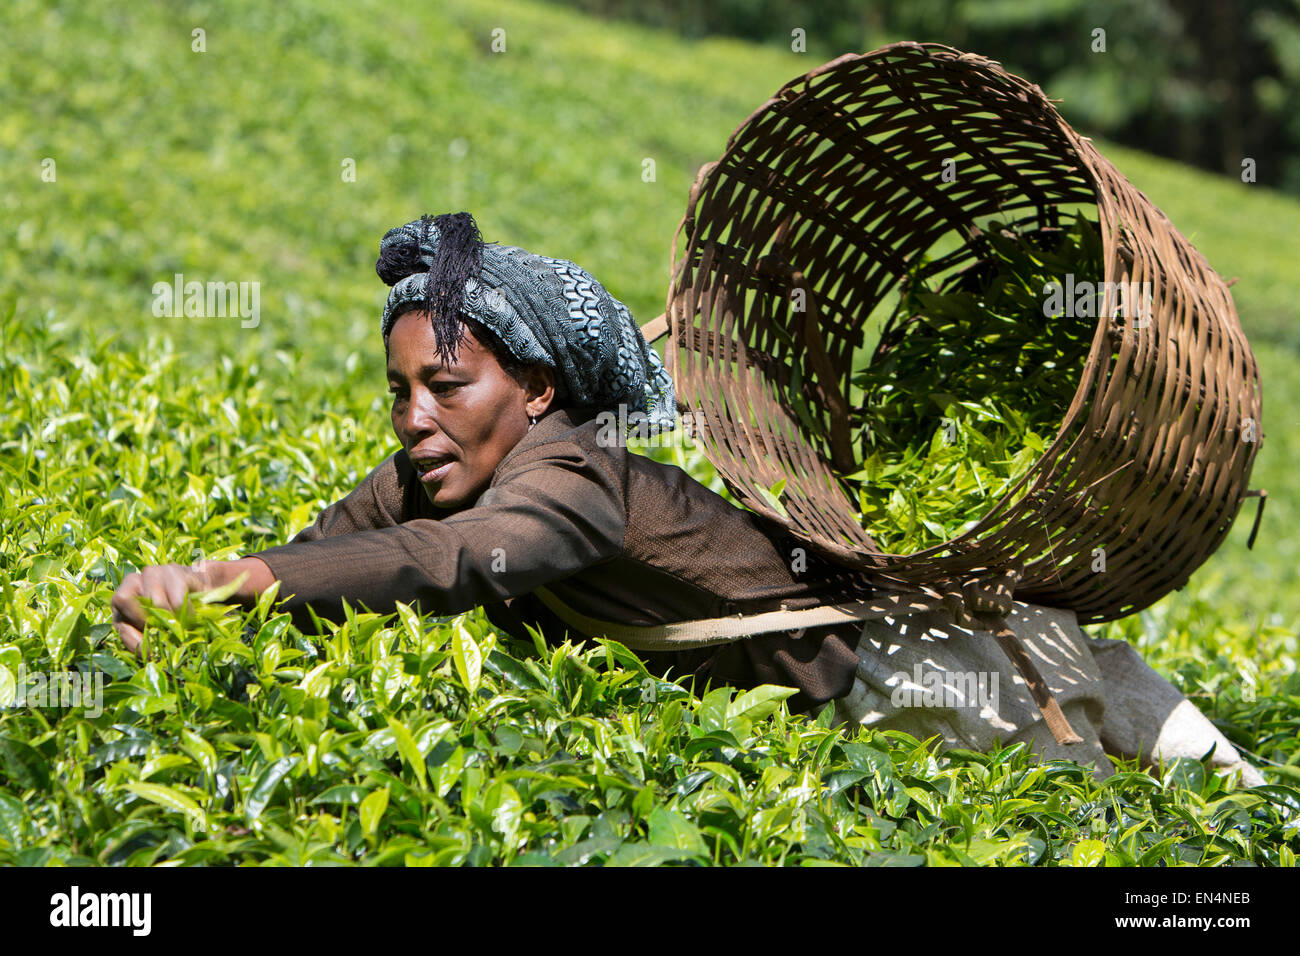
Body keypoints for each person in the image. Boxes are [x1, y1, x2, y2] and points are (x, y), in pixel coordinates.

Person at [111, 211, 1267, 787]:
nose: (414, 414)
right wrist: (221, 591)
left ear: (538, 389)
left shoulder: (567, 479)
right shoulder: (433, 462)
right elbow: (343, 548)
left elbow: (457, 560)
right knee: (1083, 711)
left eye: (446, 385)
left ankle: (1251, 812)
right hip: (832, 691)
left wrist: (250, 578)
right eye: (400, 388)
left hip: (884, 665)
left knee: (1085, 736)